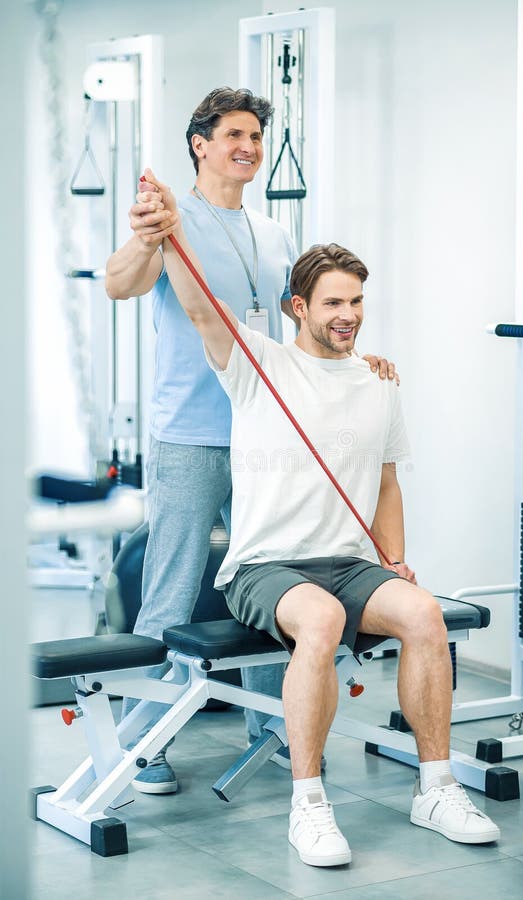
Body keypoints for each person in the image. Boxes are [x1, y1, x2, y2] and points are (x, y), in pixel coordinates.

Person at [144, 168, 501, 867]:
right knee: (320, 620)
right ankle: (307, 805)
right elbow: (198, 310)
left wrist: (393, 558)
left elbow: (387, 482)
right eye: (334, 302)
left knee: (423, 614)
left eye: (358, 301)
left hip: (350, 564)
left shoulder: (378, 382)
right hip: (264, 567)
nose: (350, 314)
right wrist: (172, 233)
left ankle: (436, 787)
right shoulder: (257, 366)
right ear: (296, 307)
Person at [105, 87, 397, 794]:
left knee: (276, 584)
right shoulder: (171, 218)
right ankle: (142, 747)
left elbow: (309, 317)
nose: (248, 147)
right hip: (193, 435)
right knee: (172, 593)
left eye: (256, 136)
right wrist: (149, 234)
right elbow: (120, 285)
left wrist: (361, 360)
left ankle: (276, 730)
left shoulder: (273, 232)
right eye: (233, 133)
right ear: (199, 143)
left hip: (269, 439)